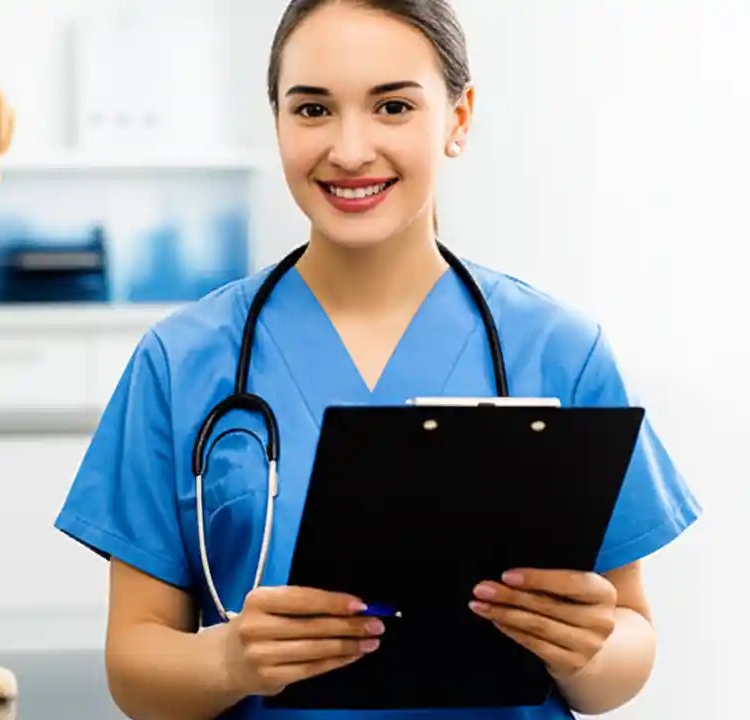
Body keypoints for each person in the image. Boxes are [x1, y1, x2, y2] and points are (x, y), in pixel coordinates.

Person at [52, 0, 702, 718]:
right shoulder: (179, 361)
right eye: (312, 110)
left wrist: (590, 648)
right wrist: (228, 659)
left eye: (392, 106)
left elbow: (628, 643)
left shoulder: (560, 351)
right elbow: (135, 668)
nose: (351, 149)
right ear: (277, 123)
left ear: (458, 118)